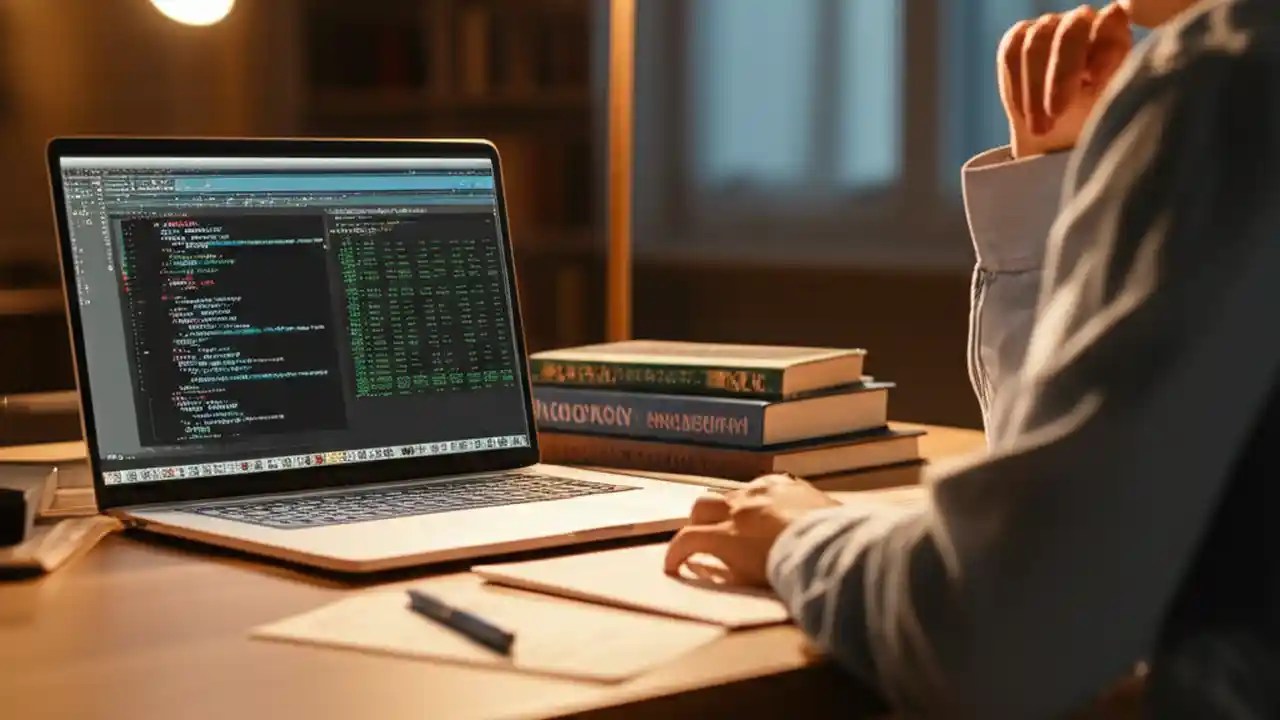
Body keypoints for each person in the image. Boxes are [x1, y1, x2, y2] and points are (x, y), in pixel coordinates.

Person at [662, 0, 1280, 716]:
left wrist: (800, 537)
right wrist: (1056, 173)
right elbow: (1062, 519)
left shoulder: (1232, 81)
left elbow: (1003, 633)